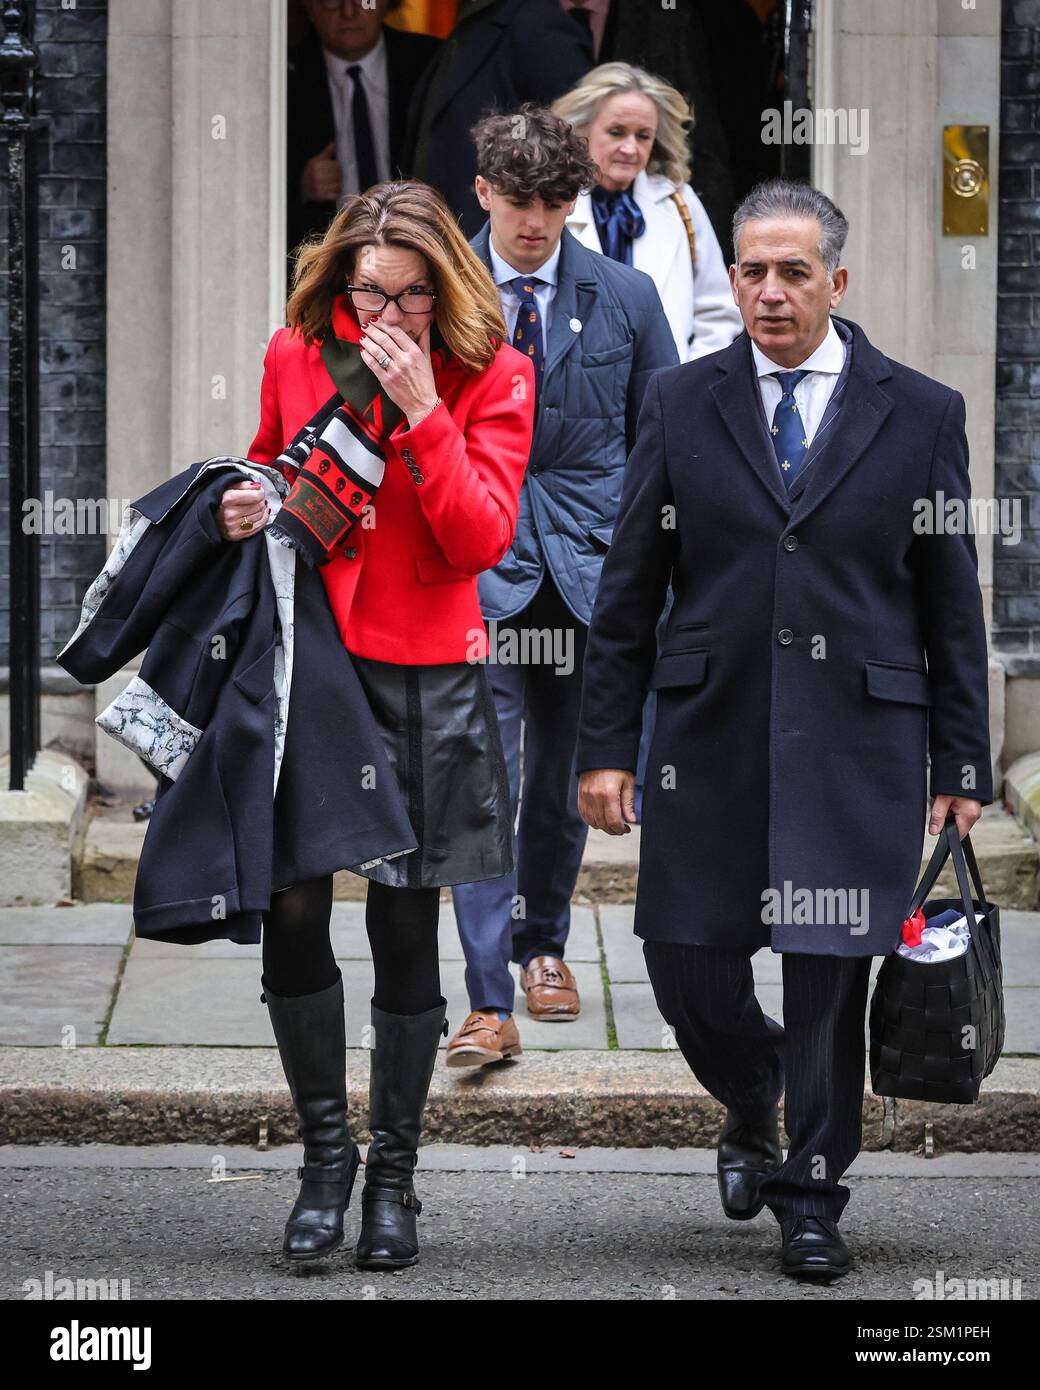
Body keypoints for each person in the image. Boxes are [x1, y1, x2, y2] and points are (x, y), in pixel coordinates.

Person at [574, 178, 992, 1280]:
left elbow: (951, 601)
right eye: (748, 272)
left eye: (790, 271)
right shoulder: (681, 399)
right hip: (706, 740)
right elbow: (628, 590)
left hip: (857, 743)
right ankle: (752, 1096)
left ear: (834, 282)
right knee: (684, 970)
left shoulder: (919, 413)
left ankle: (809, 1192)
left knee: (823, 978)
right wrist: (606, 746)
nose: (767, 291)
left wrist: (960, 759)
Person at [220, 180, 535, 1269]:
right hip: (311, 665)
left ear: (443, 287)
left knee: (405, 923)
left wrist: (424, 416)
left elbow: (477, 539)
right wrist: (242, 503)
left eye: (408, 297)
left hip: (421, 676)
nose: (386, 318)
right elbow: (265, 464)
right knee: (294, 907)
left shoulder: (494, 374)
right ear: (339, 282)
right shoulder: (297, 350)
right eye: (368, 293)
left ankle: (393, 1177)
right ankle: (325, 1159)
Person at [446, 106, 677, 1067]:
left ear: (575, 202)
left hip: (593, 573)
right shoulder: (437, 294)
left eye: (554, 202)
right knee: (481, 783)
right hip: (478, 565)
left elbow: (666, 441)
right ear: (483, 192)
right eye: (518, 201)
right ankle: (487, 996)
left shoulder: (626, 296)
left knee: (563, 781)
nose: (535, 222)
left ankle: (545, 944)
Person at [554, 62, 743, 363]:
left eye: (643, 136)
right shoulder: (553, 201)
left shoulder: (678, 200)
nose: (630, 148)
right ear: (582, 131)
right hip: (580, 398)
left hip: (667, 392)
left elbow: (718, 309)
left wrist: (690, 377)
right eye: (616, 132)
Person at [402, 0, 593, 236]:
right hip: (448, 238)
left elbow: (574, 143)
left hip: (503, 248)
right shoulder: (475, 20)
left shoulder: (538, 24)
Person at [287, 0, 439, 258]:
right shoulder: (284, 76)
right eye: (332, 1)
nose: (348, 12)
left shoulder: (430, 63)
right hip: (327, 257)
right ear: (310, 8)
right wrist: (301, 184)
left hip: (422, 247)